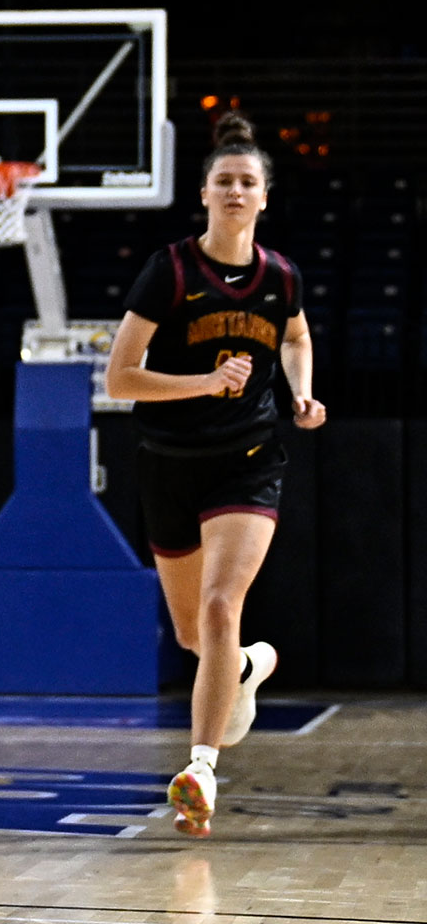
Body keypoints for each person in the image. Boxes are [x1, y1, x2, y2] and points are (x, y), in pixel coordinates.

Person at [105, 110, 324, 838]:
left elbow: (296, 337)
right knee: (196, 637)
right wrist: (203, 382)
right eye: (224, 181)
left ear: (264, 197)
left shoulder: (281, 276)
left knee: (222, 607)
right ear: (203, 193)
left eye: (247, 182)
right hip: (168, 464)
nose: (235, 191)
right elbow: (120, 378)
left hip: (247, 460)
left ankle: (200, 771)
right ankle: (251, 667)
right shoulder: (169, 271)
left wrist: (300, 391)